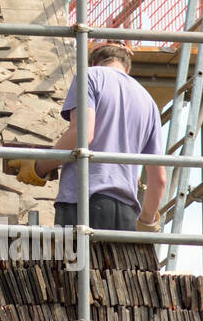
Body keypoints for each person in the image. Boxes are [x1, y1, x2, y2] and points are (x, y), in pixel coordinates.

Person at [9, 42, 166, 232]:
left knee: (79, 262)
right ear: (128, 67)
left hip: (84, 202)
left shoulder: (90, 77)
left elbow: (82, 135)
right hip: (127, 213)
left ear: (93, 62)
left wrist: (37, 167)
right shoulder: (148, 101)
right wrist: (146, 221)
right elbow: (158, 179)